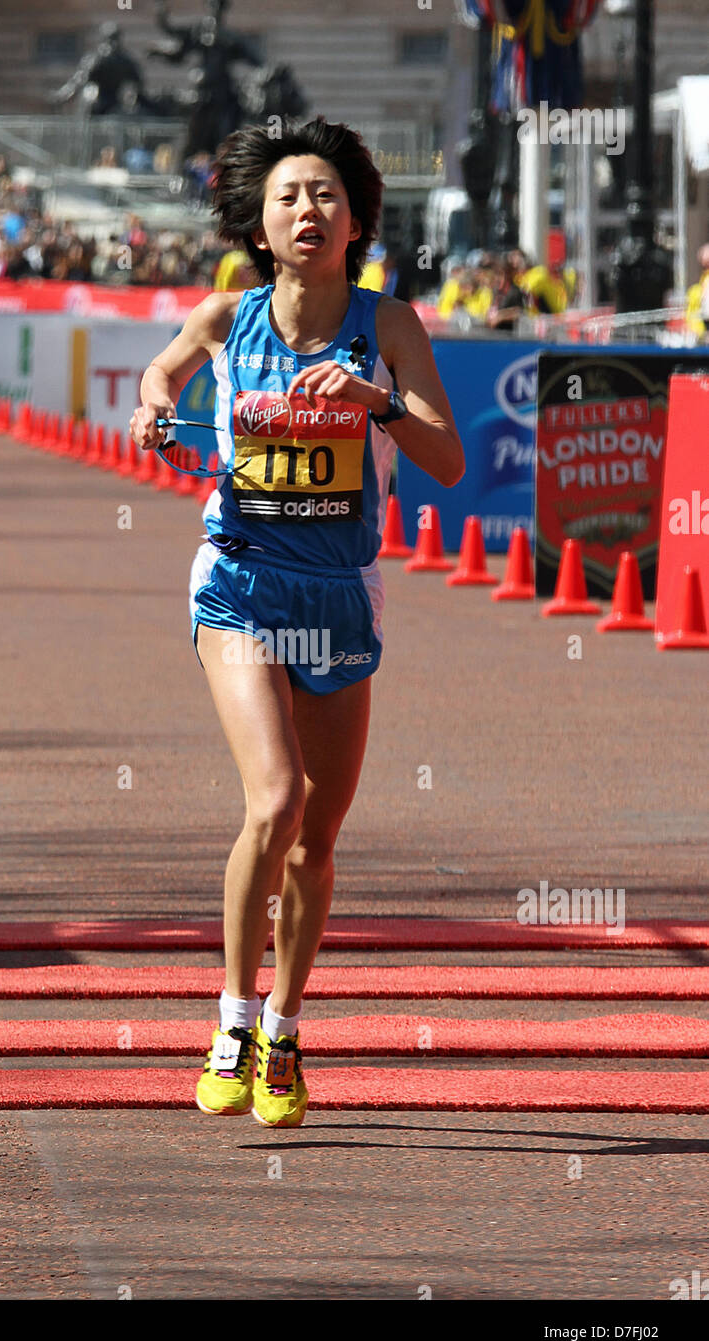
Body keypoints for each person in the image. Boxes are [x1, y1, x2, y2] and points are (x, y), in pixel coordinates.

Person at [130, 117, 464, 1127]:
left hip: (340, 594)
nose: (306, 209)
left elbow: (447, 463)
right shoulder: (226, 315)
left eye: (324, 193)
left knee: (317, 837)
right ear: (260, 225)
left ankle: (283, 1023)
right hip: (238, 580)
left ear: (354, 217)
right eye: (287, 196)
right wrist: (150, 408)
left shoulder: (390, 323)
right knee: (271, 801)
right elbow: (161, 373)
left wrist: (377, 401)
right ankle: (230, 1020)